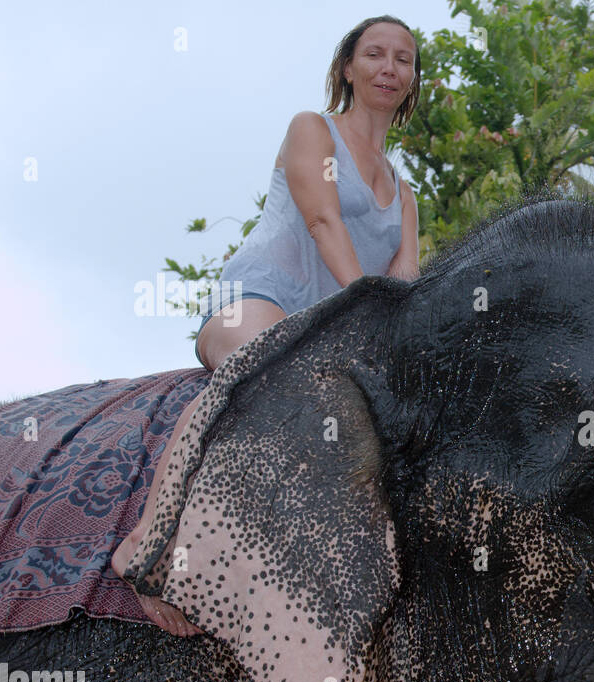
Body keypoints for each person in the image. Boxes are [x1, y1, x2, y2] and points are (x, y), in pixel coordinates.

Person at [111, 16, 424, 635]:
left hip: (331, 332)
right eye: (376, 55)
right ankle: (146, 546)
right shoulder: (314, 130)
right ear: (348, 68)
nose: (390, 68)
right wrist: (365, 306)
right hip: (262, 294)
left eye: (404, 60)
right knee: (270, 372)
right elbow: (323, 223)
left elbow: (406, 289)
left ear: (414, 80)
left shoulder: (405, 193)